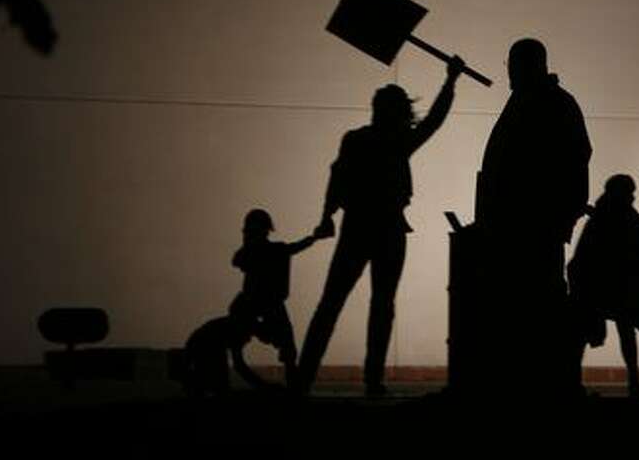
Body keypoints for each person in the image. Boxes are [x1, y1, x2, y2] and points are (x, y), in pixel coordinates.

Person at [296, 58, 464, 397]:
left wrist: (327, 215)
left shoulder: (359, 140)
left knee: (334, 303)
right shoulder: (397, 143)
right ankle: (370, 381)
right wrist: (450, 82)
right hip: (385, 231)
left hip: (359, 228)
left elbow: (338, 179)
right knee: (379, 305)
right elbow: (433, 122)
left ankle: (304, 378)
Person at [475, 38, 591, 398]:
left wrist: (562, 212)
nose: (507, 70)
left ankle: (548, 383)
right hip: (520, 223)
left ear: (527, 65)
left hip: (533, 224)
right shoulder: (540, 101)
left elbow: (573, 160)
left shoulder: (549, 103)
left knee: (539, 304)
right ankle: (533, 380)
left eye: (512, 63)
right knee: (526, 305)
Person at [181, 208, 319, 395]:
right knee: (220, 385)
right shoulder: (255, 255)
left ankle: (293, 385)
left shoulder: (270, 252)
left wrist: (314, 238)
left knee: (286, 342)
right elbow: (240, 260)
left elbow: (293, 248)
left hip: (264, 303)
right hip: (251, 305)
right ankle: (293, 385)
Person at [567, 174, 639, 401]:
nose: (632, 197)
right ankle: (632, 384)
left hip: (604, 286)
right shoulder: (620, 217)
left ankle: (574, 382)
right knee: (619, 333)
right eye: (629, 192)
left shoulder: (603, 217)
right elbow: (633, 244)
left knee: (586, 334)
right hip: (612, 286)